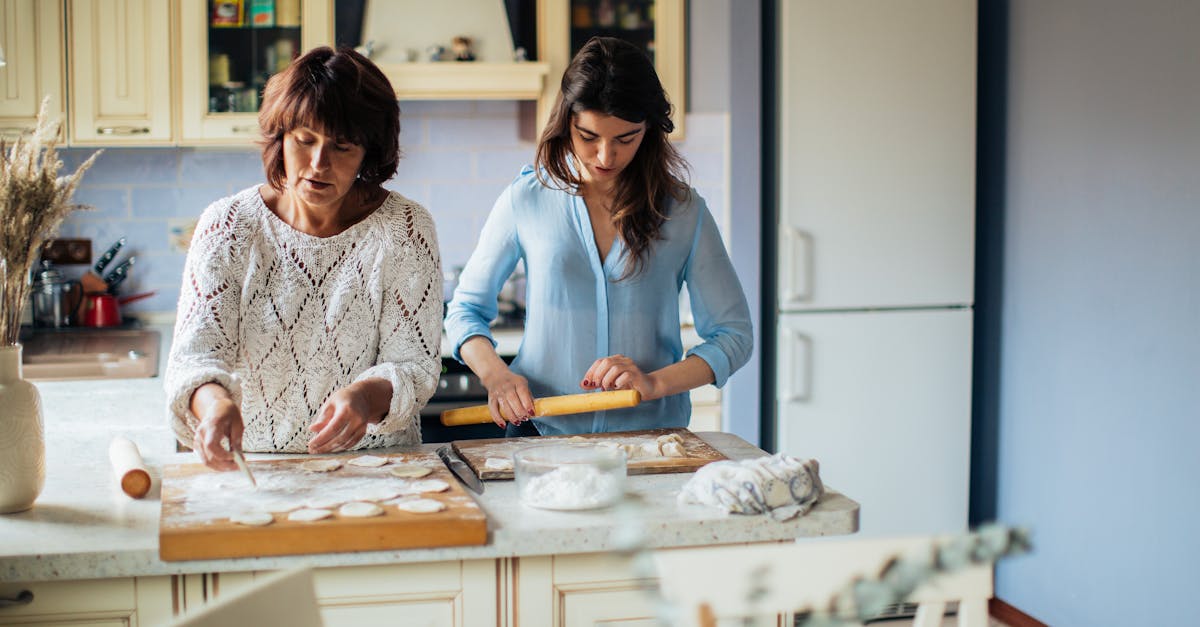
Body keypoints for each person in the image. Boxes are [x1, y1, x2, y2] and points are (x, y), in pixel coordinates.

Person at [444, 36, 752, 436]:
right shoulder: (526, 199)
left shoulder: (684, 210)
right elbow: (464, 310)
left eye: (626, 138)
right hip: (541, 438)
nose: (606, 157)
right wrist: (495, 376)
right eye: (589, 137)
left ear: (650, 130)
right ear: (566, 122)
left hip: (651, 442)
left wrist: (654, 383)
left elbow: (734, 336)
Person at [165, 47, 442, 471]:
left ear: (369, 151)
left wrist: (365, 397)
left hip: (377, 469)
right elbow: (194, 358)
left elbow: (415, 365)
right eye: (304, 140)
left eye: (342, 146)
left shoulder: (405, 228)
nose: (318, 164)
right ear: (281, 137)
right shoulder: (229, 226)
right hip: (256, 469)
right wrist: (215, 404)